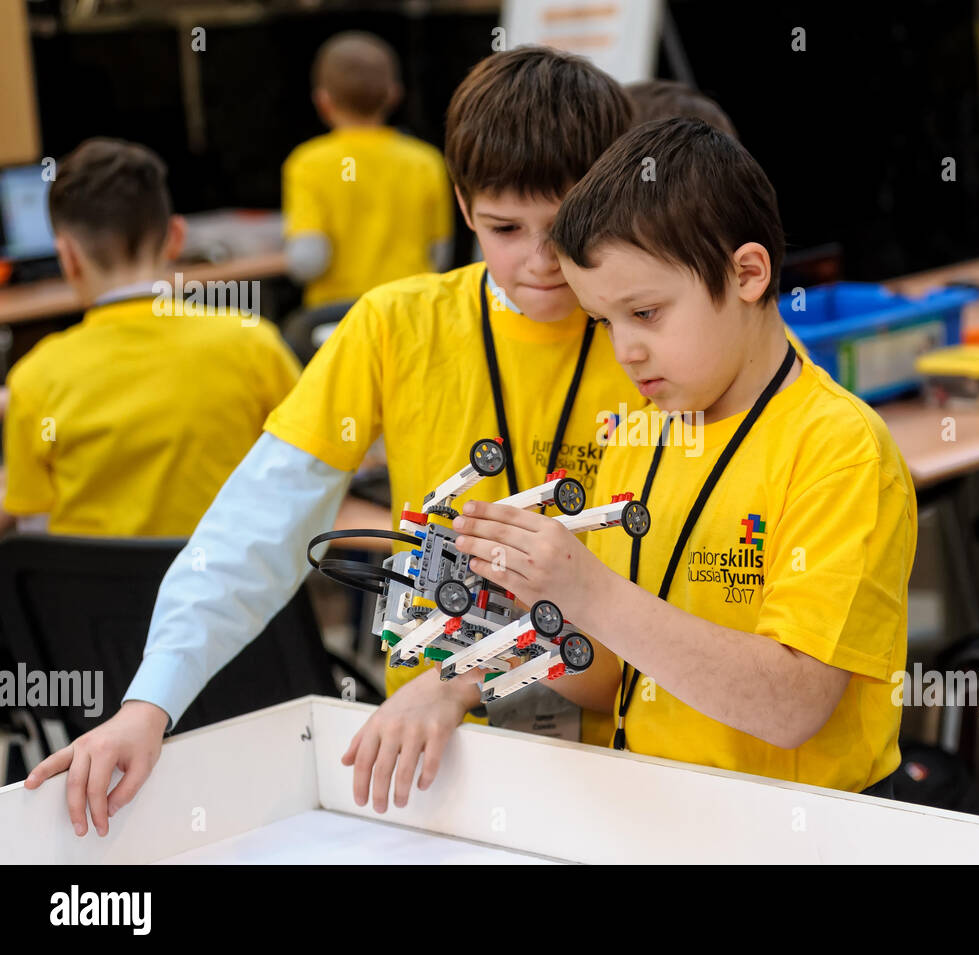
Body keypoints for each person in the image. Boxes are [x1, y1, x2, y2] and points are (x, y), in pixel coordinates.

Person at [25, 47, 644, 836]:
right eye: (503, 227)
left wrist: (468, 679)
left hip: (627, 760)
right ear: (461, 203)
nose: (539, 260)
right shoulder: (395, 326)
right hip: (431, 767)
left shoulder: (648, 336)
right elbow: (259, 521)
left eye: (563, 226)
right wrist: (151, 701)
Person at [453, 118, 918, 792]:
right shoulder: (640, 437)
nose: (625, 351)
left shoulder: (839, 449)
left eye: (646, 313)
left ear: (748, 274)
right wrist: (519, 616)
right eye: (605, 322)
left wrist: (592, 589)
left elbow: (792, 704)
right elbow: (611, 672)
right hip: (660, 812)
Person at [1, 138, 298, 538]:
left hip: (94, 599)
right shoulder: (254, 343)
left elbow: (34, 529)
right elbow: (306, 468)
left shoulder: (34, 379)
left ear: (67, 256)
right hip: (236, 596)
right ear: (175, 236)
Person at [282, 31, 454, 307]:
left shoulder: (308, 162)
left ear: (323, 101)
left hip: (337, 318)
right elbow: (439, 254)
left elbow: (308, 261)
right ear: (394, 94)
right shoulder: (425, 160)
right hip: (413, 309)